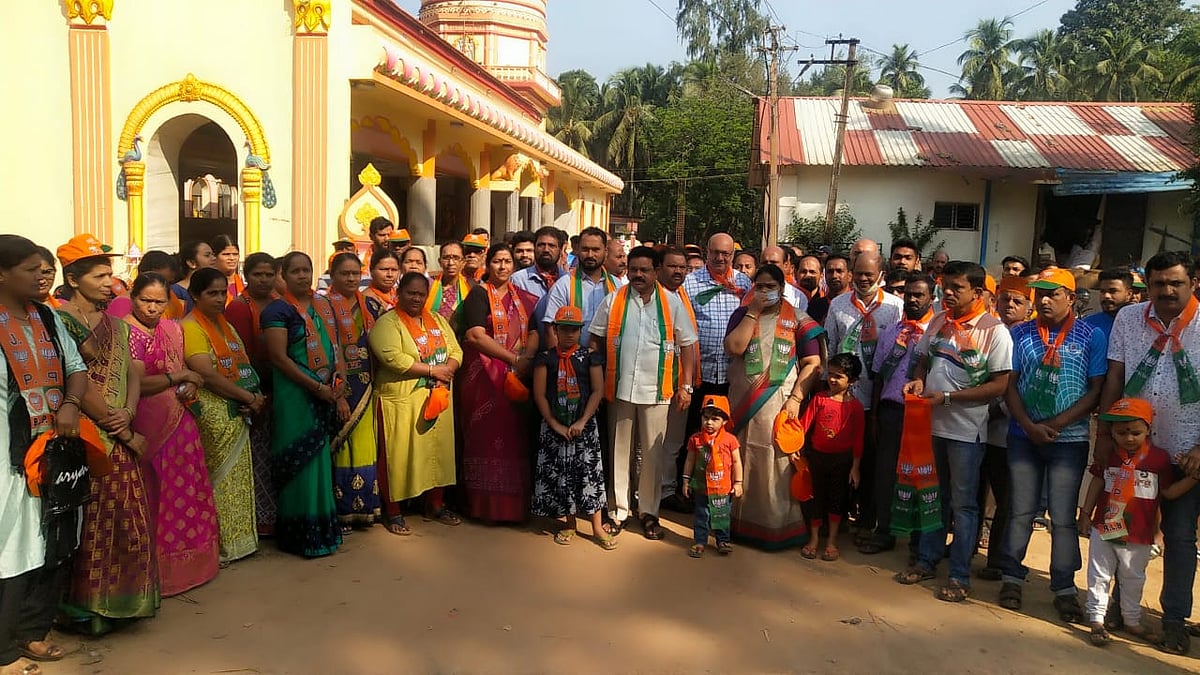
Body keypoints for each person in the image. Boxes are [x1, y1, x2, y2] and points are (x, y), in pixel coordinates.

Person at [54, 234, 159, 633]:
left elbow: (132, 371)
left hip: (119, 429)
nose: (108, 282)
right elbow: (75, 379)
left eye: (109, 274)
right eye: (99, 275)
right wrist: (120, 428)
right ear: (73, 278)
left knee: (125, 520)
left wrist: (128, 412)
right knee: (86, 524)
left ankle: (121, 602)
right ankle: (85, 609)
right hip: (84, 435)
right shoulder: (58, 320)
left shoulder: (116, 325)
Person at [1099, 250, 1200, 654]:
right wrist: (1105, 433)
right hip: (1132, 448)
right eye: (1159, 283)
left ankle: (1174, 619)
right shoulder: (1128, 318)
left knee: (1179, 536)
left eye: (1176, 282)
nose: (1167, 290)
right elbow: (1115, 376)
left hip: (1186, 452)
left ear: (1193, 283)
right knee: (1121, 529)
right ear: (1147, 285)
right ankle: (1119, 606)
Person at [897, 260, 1013, 604]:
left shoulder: (995, 331)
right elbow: (922, 360)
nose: (947, 293)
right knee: (934, 497)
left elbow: (1000, 384)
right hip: (931, 425)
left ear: (977, 292)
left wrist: (948, 398)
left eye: (956, 288)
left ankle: (960, 575)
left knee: (963, 505)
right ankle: (927, 560)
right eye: (944, 287)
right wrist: (918, 380)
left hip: (967, 431)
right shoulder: (939, 321)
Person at [0, 235, 91, 673]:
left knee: (54, 535)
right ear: (2, 274)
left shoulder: (48, 318)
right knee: (10, 541)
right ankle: (4, 648)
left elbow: (76, 368)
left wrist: (71, 404)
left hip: (54, 448)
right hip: (8, 453)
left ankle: (33, 630)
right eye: (32, 269)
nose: (44, 275)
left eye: (46, 268)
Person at [997, 268, 1106, 619]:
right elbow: (1009, 385)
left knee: (1062, 517)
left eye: (1052, 293)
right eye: (1040, 293)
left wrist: (1055, 425)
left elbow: (1096, 390)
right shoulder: (1021, 333)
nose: (1043, 300)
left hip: (1068, 440)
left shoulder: (1090, 336)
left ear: (1071, 298)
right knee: (1020, 510)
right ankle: (1011, 577)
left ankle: (1064, 587)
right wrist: (1029, 426)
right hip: (1023, 437)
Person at [123, 273, 221, 592]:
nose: (152, 308)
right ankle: (159, 573)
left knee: (188, 491)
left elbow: (187, 372)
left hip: (182, 421)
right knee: (157, 493)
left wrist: (190, 382)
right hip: (148, 423)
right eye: (145, 301)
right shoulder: (126, 332)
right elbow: (138, 383)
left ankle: (193, 566)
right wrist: (179, 377)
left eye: (159, 302)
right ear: (132, 297)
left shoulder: (172, 329)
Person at [589, 247, 697, 539]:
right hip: (619, 389)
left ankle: (649, 512)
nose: (638, 275)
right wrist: (596, 382)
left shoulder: (672, 303)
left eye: (644, 270)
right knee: (619, 452)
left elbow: (688, 344)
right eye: (633, 269)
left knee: (652, 455)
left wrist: (686, 386)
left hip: (658, 391)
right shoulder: (614, 300)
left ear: (656, 271)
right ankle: (619, 511)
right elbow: (595, 339)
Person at [1079, 397, 1197, 646]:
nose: (1129, 438)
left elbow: (1168, 493)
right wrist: (1086, 512)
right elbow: (1098, 481)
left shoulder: (1159, 459)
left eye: (1135, 432)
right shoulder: (1110, 455)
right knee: (1099, 574)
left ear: (1148, 430)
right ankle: (1096, 618)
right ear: (1112, 431)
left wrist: (1194, 478)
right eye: (1122, 433)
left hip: (1138, 534)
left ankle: (1131, 620)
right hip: (1104, 527)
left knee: (1133, 578)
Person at [724, 264, 824, 550]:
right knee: (740, 456)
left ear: (782, 288)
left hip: (780, 401)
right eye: (760, 286)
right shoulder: (742, 314)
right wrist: (753, 311)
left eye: (771, 286)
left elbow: (813, 363)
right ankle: (735, 524)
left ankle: (775, 530)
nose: (765, 291)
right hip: (742, 402)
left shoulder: (800, 320)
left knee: (774, 462)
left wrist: (796, 398)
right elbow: (734, 348)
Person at [262, 252, 346, 558]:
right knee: (300, 462)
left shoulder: (323, 305)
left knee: (320, 462)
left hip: (325, 393)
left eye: (306, 270)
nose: (302, 276)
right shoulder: (277, 310)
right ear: (283, 275)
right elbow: (278, 358)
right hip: (295, 397)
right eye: (295, 271)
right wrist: (317, 388)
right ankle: (299, 537)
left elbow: (336, 348)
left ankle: (323, 532)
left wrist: (337, 384)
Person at [371, 272, 463, 535]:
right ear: (399, 293)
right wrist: (433, 370)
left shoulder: (437, 320)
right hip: (401, 402)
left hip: (437, 397)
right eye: (410, 293)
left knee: (438, 455)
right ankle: (393, 511)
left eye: (421, 294)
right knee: (398, 458)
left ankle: (435, 504)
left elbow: (456, 350)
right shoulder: (387, 322)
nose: (416, 298)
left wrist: (448, 368)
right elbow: (392, 357)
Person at [182, 268, 264, 563]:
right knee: (220, 477)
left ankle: (241, 541)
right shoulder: (191, 327)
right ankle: (219, 545)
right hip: (214, 411)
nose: (219, 299)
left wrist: (253, 397)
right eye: (212, 293)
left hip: (238, 406)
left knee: (238, 476)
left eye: (222, 293)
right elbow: (205, 373)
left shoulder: (224, 325)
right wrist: (248, 398)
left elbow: (242, 367)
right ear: (195, 295)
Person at [459, 244, 539, 522]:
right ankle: (483, 507)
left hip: (517, 377)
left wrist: (526, 359)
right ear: (488, 264)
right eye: (497, 261)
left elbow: (535, 332)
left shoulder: (524, 298)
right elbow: (475, 335)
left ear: (513, 266)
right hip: (483, 377)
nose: (502, 267)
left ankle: (513, 508)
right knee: (485, 438)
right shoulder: (478, 294)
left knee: (515, 439)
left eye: (507, 261)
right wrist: (513, 359)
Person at [825, 251, 903, 534]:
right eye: (858, 273)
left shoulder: (895, 306)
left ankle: (867, 520)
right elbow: (829, 347)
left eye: (869, 274)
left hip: (875, 398)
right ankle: (838, 517)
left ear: (881, 274)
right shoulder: (838, 305)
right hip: (843, 399)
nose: (863, 279)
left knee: (871, 463)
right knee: (840, 461)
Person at [860, 273, 935, 555]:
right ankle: (884, 532)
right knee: (885, 473)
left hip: (922, 414)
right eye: (908, 294)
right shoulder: (892, 332)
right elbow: (879, 377)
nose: (912, 299)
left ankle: (917, 541)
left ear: (931, 298)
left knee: (918, 477)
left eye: (919, 295)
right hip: (890, 412)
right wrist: (875, 416)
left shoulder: (937, 334)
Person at [531, 306, 614, 550]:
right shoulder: (546, 358)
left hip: (584, 427)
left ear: (581, 331)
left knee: (590, 474)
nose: (569, 335)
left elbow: (597, 391)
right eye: (564, 329)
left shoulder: (590, 357)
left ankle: (597, 527)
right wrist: (555, 424)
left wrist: (583, 421)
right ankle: (570, 523)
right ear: (555, 330)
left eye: (574, 330)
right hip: (555, 428)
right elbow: (540, 395)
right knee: (563, 475)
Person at [974, 275, 1032, 579]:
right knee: (974, 492)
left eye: (1017, 301)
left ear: (1029, 307)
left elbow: (1021, 384)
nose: (1009, 305)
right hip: (976, 425)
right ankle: (966, 545)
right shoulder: (988, 330)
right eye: (1005, 299)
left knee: (1006, 499)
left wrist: (999, 408)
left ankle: (997, 559)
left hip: (1010, 431)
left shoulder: (1029, 338)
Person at [324, 254, 381, 531]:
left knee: (364, 444)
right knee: (340, 446)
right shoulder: (322, 306)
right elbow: (324, 351)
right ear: (332, 275)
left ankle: (366, 507)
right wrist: (338, 394)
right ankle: (341, 511)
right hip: (336, 386)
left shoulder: (371, 305)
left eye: (355, 274)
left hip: (367, 386)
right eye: (344, 273)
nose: (350, 279)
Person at [225, 252, 278, 537]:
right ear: (247, 276)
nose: (264, 280)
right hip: (254, 390)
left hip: (281, 387)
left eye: (269, 274)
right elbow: (242, 356)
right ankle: (261, 519)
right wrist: (254, 395)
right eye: (258, 274)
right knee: (258, 458)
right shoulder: (239, 308)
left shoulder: (279, 303)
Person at [680, 233, 751, 434]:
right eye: (715, 252)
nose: (720, 258)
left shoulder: (744, 283)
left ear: (733, 255)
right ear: (707, 252)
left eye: (725, 254)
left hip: (732, 374)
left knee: (727, 432)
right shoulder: (690, 283)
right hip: (701, 372)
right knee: (695, 431)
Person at [798, 353, 865, 562]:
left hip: (842, 461)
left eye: (839, 376)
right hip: (816, 458)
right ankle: (814, 540)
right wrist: (795, 448)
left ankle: (832, 542)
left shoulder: (856, 407)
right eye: (831, 374)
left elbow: (858, 440)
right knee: (815, 499)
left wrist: (855, 467)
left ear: (852, 380)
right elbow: (803, 426)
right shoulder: (819, 399)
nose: (832, 379)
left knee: (837, 501)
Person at [658, 248, 701, 513]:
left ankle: (666, 490)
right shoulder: (654, 296)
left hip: (681, 382)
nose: (678, 271)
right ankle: (644, 492)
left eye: (682, 267)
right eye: (672, 266)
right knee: (650, 442)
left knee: (673, 442)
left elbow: (687, 343)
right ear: (659, 268)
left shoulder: (682, 295)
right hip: (658, 381)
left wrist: (685, 385)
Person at [682, 395, 743, 558]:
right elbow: (689, 460)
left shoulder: (730, 440)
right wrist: (686, 481)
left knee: (721, 515)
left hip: (722, 488)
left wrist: (738, 482)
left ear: (724, 421)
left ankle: (723, 541)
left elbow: (737, 462)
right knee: (701, 516)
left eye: (715, 419)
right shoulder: (696, 439)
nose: (709, 422)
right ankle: (700, 542)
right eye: (706, 418)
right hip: (701, 487)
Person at [542, 227, 616, 350]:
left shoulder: (617, 286)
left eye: (596, 250)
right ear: (578, 250)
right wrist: (559, 360)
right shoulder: (563, 285)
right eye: (585, 249)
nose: (590, 255)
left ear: (606, 251)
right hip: (570, 359)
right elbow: (551, 328)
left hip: (609, 357)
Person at [107, 251, 184, 319]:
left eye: (168, 283)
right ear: (142, 274)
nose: (152, 309)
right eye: (157, 281)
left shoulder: (171, 297)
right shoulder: (122, 304)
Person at [511, 226, 566, 302]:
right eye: (541, 245)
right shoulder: (518, 280)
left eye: (551, 246)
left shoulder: (568, 280)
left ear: (560, 250)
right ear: (535, 248)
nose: (546, 250)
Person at [427, 242, 472, 334]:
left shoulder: (471, 286)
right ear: (439, 261)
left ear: (463, 262)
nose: (451, 263)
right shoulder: (428, 285)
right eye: (446, 258)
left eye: (456, 258)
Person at [1083, 268, 1134, 343]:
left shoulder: (1139, 324)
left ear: (1129, 294)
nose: (1106, 296)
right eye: (1102, 291)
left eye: (1113, 291)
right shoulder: (1087, 325)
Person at [173, 240, 217, 316]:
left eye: (213, 255)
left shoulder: (217, 288)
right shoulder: (176, 291)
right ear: (191, 263)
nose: (214, 258)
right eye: (207, 255)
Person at [761, 246, 807, 312]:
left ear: (785, 265)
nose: (768, 266)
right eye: (764, 263)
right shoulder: (750, 296)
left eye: (774, 262)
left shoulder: (798, 298)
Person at [809, 253, 850, 324]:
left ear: (850, 275)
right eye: (830, 272)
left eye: (839, 271)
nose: (834, 276)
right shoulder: (814, 307)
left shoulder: (857, 305)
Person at [364, 249, 400, 315]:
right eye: (384, 269)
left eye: (394, 270)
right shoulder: (364, 299)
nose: (390, 274)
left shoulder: (401, 295)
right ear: (371, 270)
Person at [211, 234, 244, 304]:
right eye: (226, 254)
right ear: (214, 257)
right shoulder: (208, 285)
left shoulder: (245, 283)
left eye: (235, 254)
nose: (232, 258)